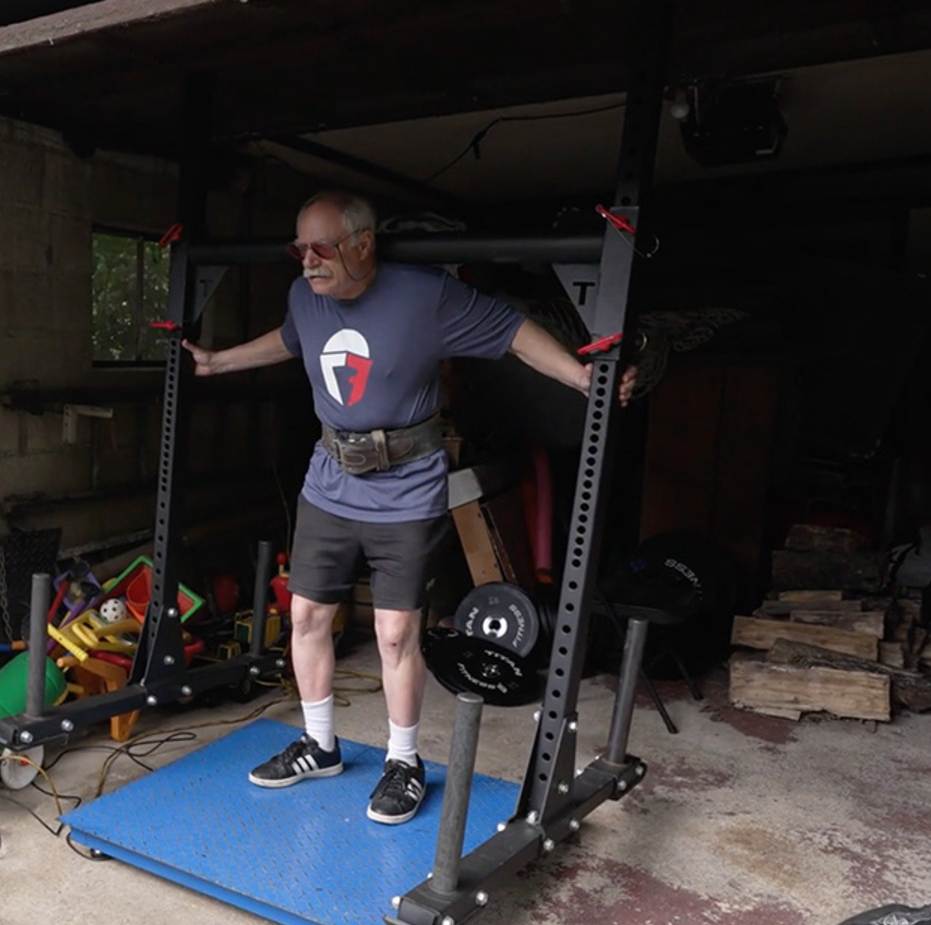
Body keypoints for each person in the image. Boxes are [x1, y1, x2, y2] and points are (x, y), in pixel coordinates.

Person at [182, 192, 633, 825]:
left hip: (406, 485)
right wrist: (218, 362)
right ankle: (320, 745)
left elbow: (514, 333)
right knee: (306, 616)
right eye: (298, 249)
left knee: (395, 633)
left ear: (364, 244)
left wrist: (583, 378)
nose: (307, 262)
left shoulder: (426, 297)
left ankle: (403, 762)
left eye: (321, 248)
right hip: (329, 480)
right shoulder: (305, 297)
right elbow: (289, 340)